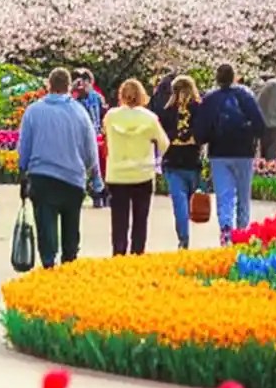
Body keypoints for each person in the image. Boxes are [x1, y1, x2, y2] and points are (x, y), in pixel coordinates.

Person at [18, 68, 104, 268]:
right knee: (71, 229)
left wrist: (23, 173)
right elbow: (90, 151)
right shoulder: (79, 113)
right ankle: (68, 265)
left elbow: (24, 148)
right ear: (68, 87)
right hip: (72, 180)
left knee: (45, 227)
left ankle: (48, 264)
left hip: (42, 178)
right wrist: (95, 179)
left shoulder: (33, 111)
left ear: (49, 85)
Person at [194, 64, 266, 246]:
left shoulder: (210, 99)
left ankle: (226, 229)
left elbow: (200, 131)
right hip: (244, 152)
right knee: (243, 194)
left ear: (217, 79)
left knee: (224, 195)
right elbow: (260, 124)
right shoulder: (246, 96)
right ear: (234, 77)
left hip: (219, 153)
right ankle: (242, 231)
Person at [103, 79, 169, 256]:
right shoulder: (149, 118)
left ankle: (118, 253)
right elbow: (164, 144)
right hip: (143, 174)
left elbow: (106, 137)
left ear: (121, 95)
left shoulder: (111, 116)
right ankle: (137, 254)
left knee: (119, 220)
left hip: (117, 174)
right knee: (141, 220)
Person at [158, 75, 202, 250]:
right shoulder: (199, 108)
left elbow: (162, 136)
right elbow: (204, 133)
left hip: (173, 161)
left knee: (180, 203)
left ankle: (183, 238)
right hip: (193, 161)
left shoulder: (167, 110)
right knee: (190, 199)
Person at [72, 69, 108, 208]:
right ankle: (91, 189)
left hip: (94, 136)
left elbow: (103, 115)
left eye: (85, 81)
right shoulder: (71, 100)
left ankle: (98, 190)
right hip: (77, 137)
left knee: (95, 164)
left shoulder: (96, 98)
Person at [255, 75, 276, 160]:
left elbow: (258, 105)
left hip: (264, 123)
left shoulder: (265, 89)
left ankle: (263, 169)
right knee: (272, 153)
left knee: (263, 151)